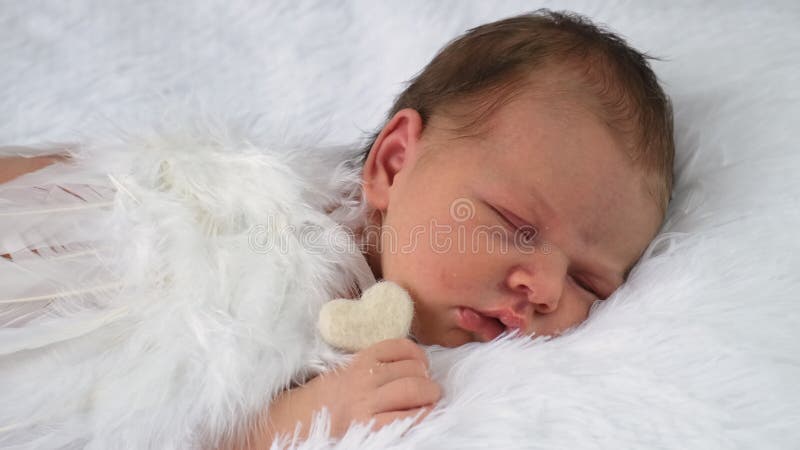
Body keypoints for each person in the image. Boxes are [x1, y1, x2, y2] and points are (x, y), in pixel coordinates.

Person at [237, 9, 674, 447]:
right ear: (394, 165)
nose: (544, 290)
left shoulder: (517, 389)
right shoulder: (262, 262)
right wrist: (309, 414)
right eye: (514, 224)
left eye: (587, 282)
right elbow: (184, 415)